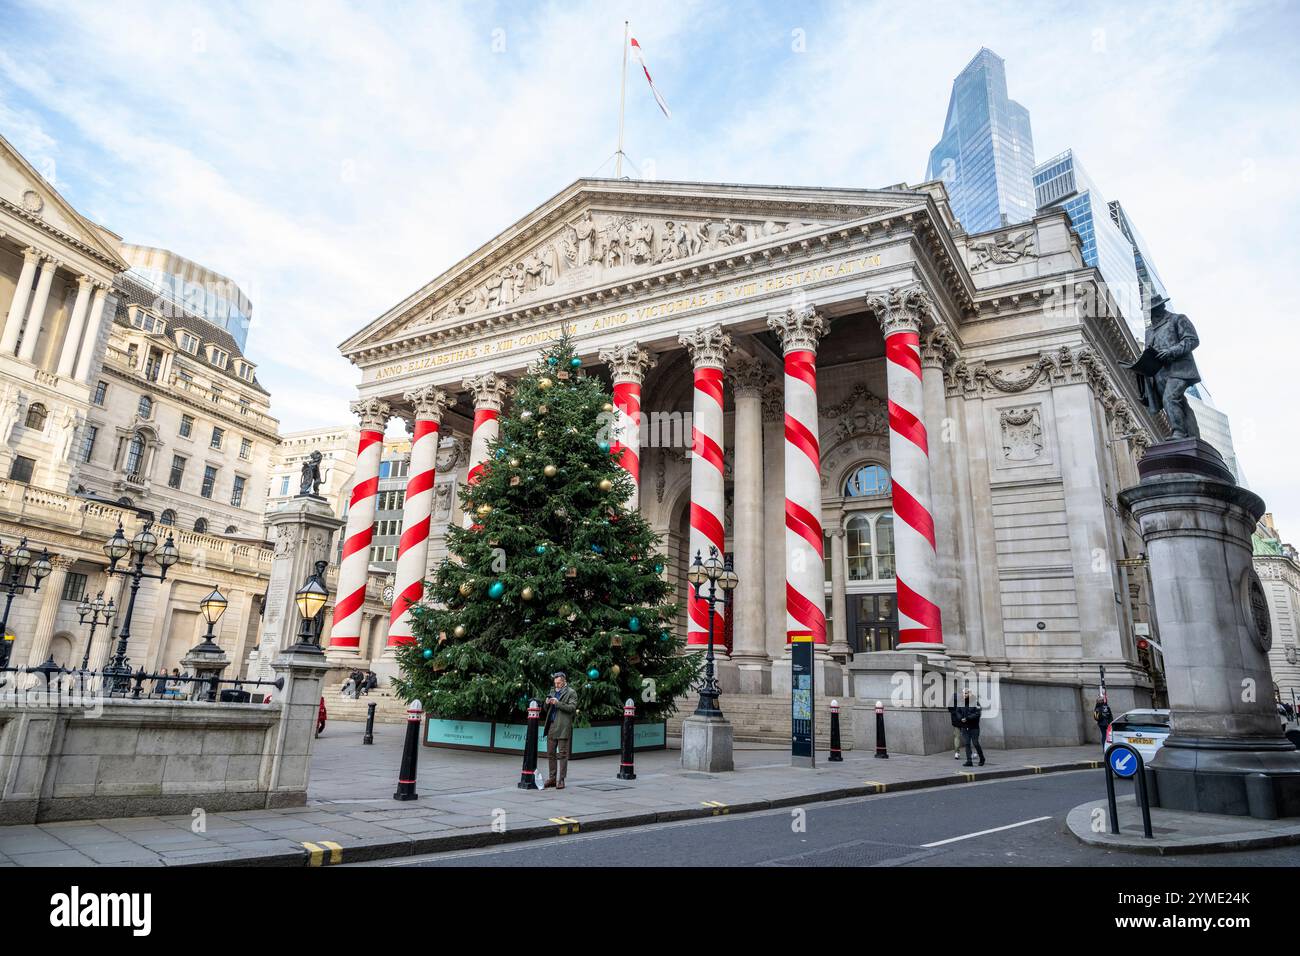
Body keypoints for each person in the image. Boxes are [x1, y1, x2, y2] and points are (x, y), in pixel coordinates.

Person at [543, 671, 578, 790]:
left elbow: (572, 708)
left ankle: (561, 779)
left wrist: (558, 703)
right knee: (551, 753)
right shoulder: (552, 691)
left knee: (563, 754)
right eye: (555, 683)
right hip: (552, 725)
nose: (556, 685)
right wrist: (547, 703)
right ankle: (552, 778)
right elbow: (546, 709)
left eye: (558, 683)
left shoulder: (571, 692)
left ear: (564, 682)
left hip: (563, 726)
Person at [956, 690, 985, 767]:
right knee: (967, 743)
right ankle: (969, 761)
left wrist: (968, 718)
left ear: (969, 694)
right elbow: (957, 712)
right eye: (963, 693)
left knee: (975, 743)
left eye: (965, 693)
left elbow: (978, 713)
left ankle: (982, 758)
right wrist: (961, 718)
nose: (964, 695)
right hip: (965, 727)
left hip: (974, 727)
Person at [948, 690, 962, 760]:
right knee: (967, 736)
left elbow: (949, 709)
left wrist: (955, 714)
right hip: (964, 720)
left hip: (956, 721)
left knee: (957, 737)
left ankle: (957, 752)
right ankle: (970, 752)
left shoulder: (952, 700)